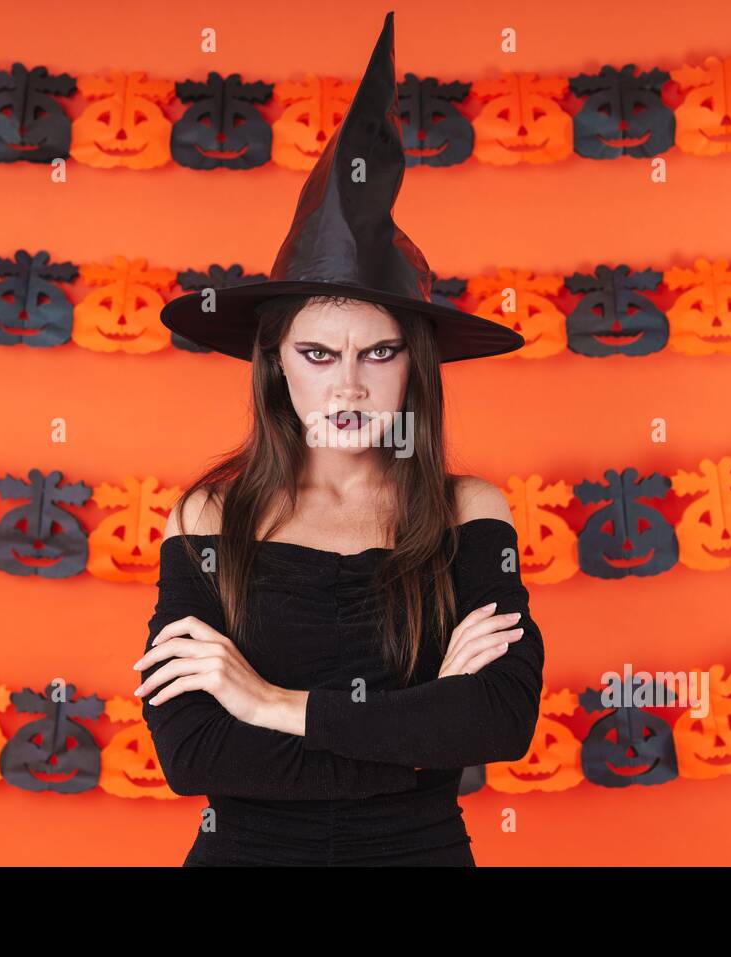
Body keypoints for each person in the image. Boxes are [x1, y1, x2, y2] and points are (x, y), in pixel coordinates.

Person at [132, 11, 544, 866]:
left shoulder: (469, 511)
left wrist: (274, 703)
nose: (349, 385)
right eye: (319, 353)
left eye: (380, 352)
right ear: (276, 362)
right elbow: (194, 754)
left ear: (414, 368)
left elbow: (498, 720)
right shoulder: (210, 517)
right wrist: (419, 720)